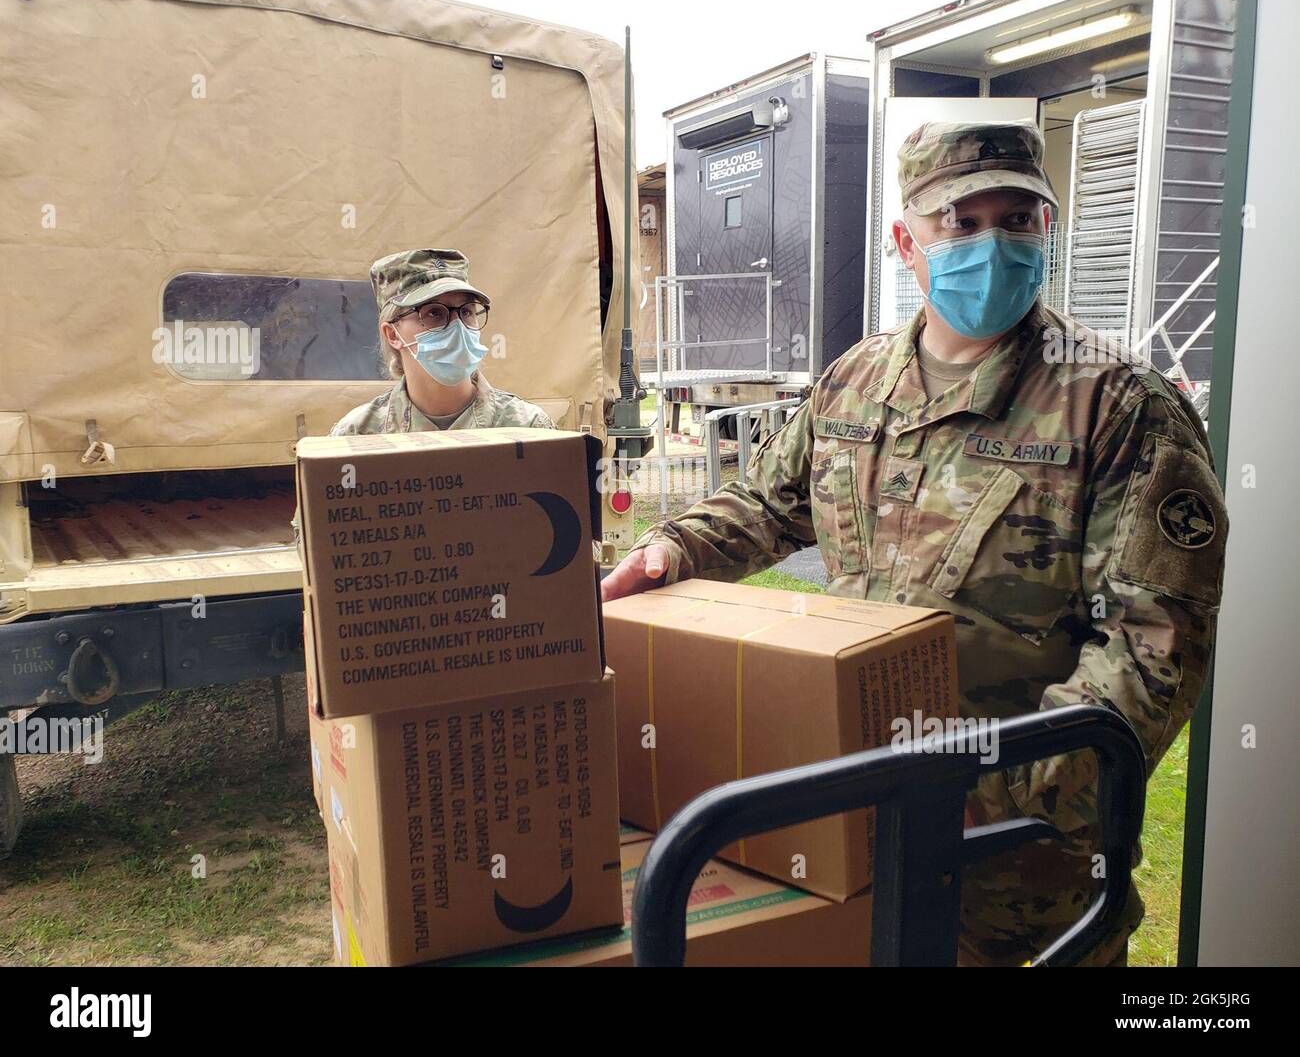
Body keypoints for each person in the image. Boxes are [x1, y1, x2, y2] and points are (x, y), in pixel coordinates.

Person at [603, 121, 1228, 966]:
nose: (994, 243)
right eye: (961, 223)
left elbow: (1155, 645)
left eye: (1018, 219)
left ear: (1047, 228)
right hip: (861, 829)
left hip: (1022, 873)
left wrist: (1001, 794)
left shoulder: (1119, 404)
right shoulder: (856, 382)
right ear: (906, 241)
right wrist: (669, 552)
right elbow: (767, 501)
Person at [331, 248, 554, 434]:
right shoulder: (357, 435)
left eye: (466, 311)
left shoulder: (528, 427)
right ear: (392, 335)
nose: (457, 325)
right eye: (434, 313)